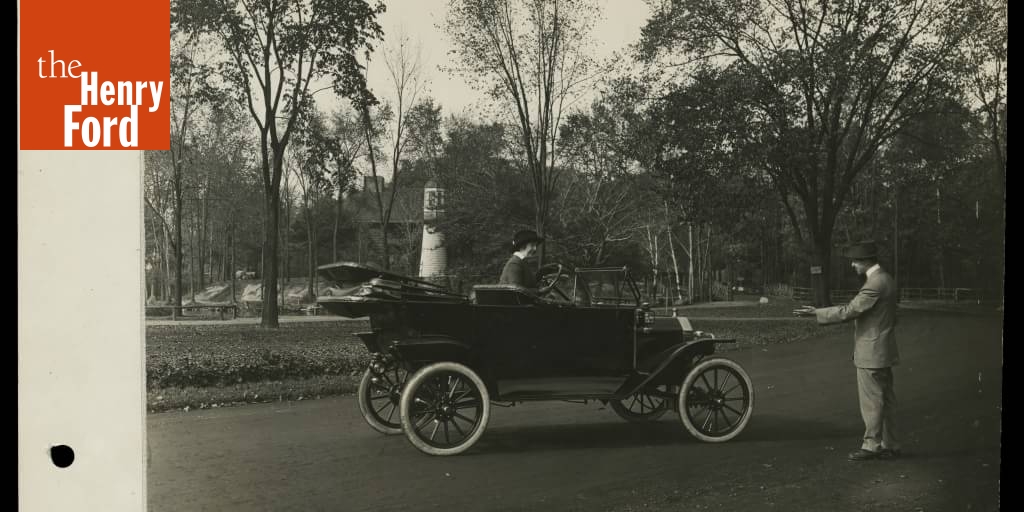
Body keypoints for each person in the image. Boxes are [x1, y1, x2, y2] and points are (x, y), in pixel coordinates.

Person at [793, 241, 901, 461]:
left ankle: (871, 446)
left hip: (871, 352)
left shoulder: (874, 284)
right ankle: (891, 444)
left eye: (855, 261)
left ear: (865, 261)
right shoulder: (888, 279)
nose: (852, 265)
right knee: (886, 399)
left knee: (872, 401)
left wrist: (817, 313)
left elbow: (850, 310)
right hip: (885, 349)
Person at [499, 229, 560, 294]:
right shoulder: (514, 263)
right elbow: (517, 291)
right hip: (511, 303)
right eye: (532, 245)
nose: (535, 249)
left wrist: (540, 274)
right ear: (522, 246)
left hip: (522, 302)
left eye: (535, 245)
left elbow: (528, 285)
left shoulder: (522, 262)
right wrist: (539, 291)